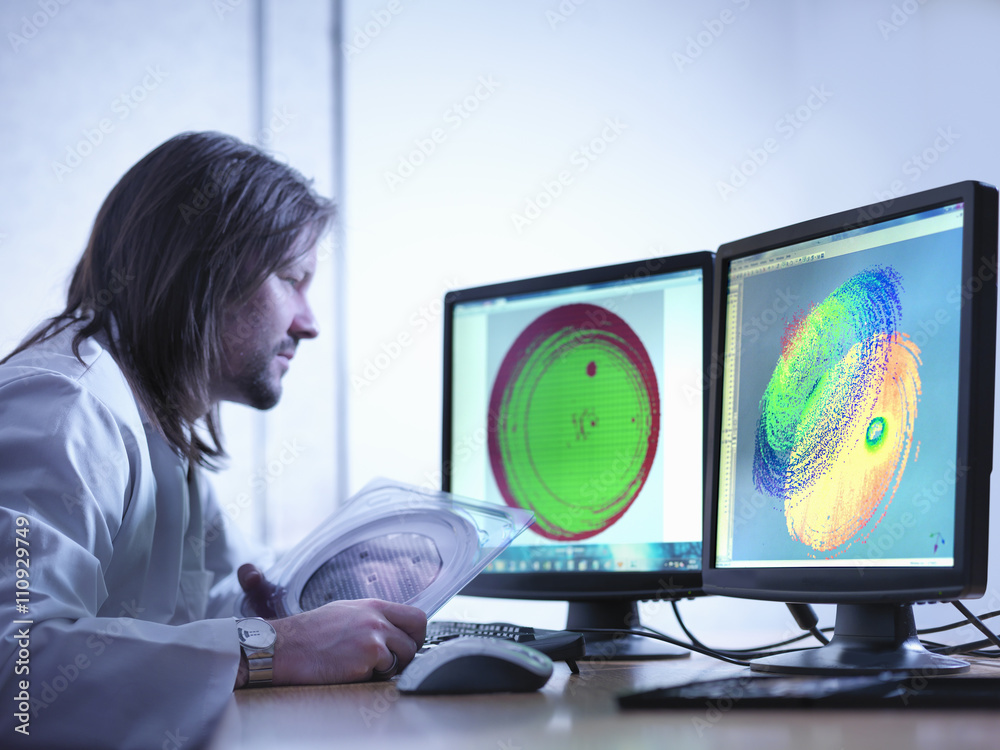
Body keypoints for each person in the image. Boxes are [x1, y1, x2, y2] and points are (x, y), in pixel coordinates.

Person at [0, 131, 426, 749]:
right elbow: (16, 669)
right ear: (206, 273)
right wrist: (276, 648)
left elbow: (210, 600)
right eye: (292, 277)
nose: (308, 323)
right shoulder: (65, 407)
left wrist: (337, 584)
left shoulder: (156, 421)